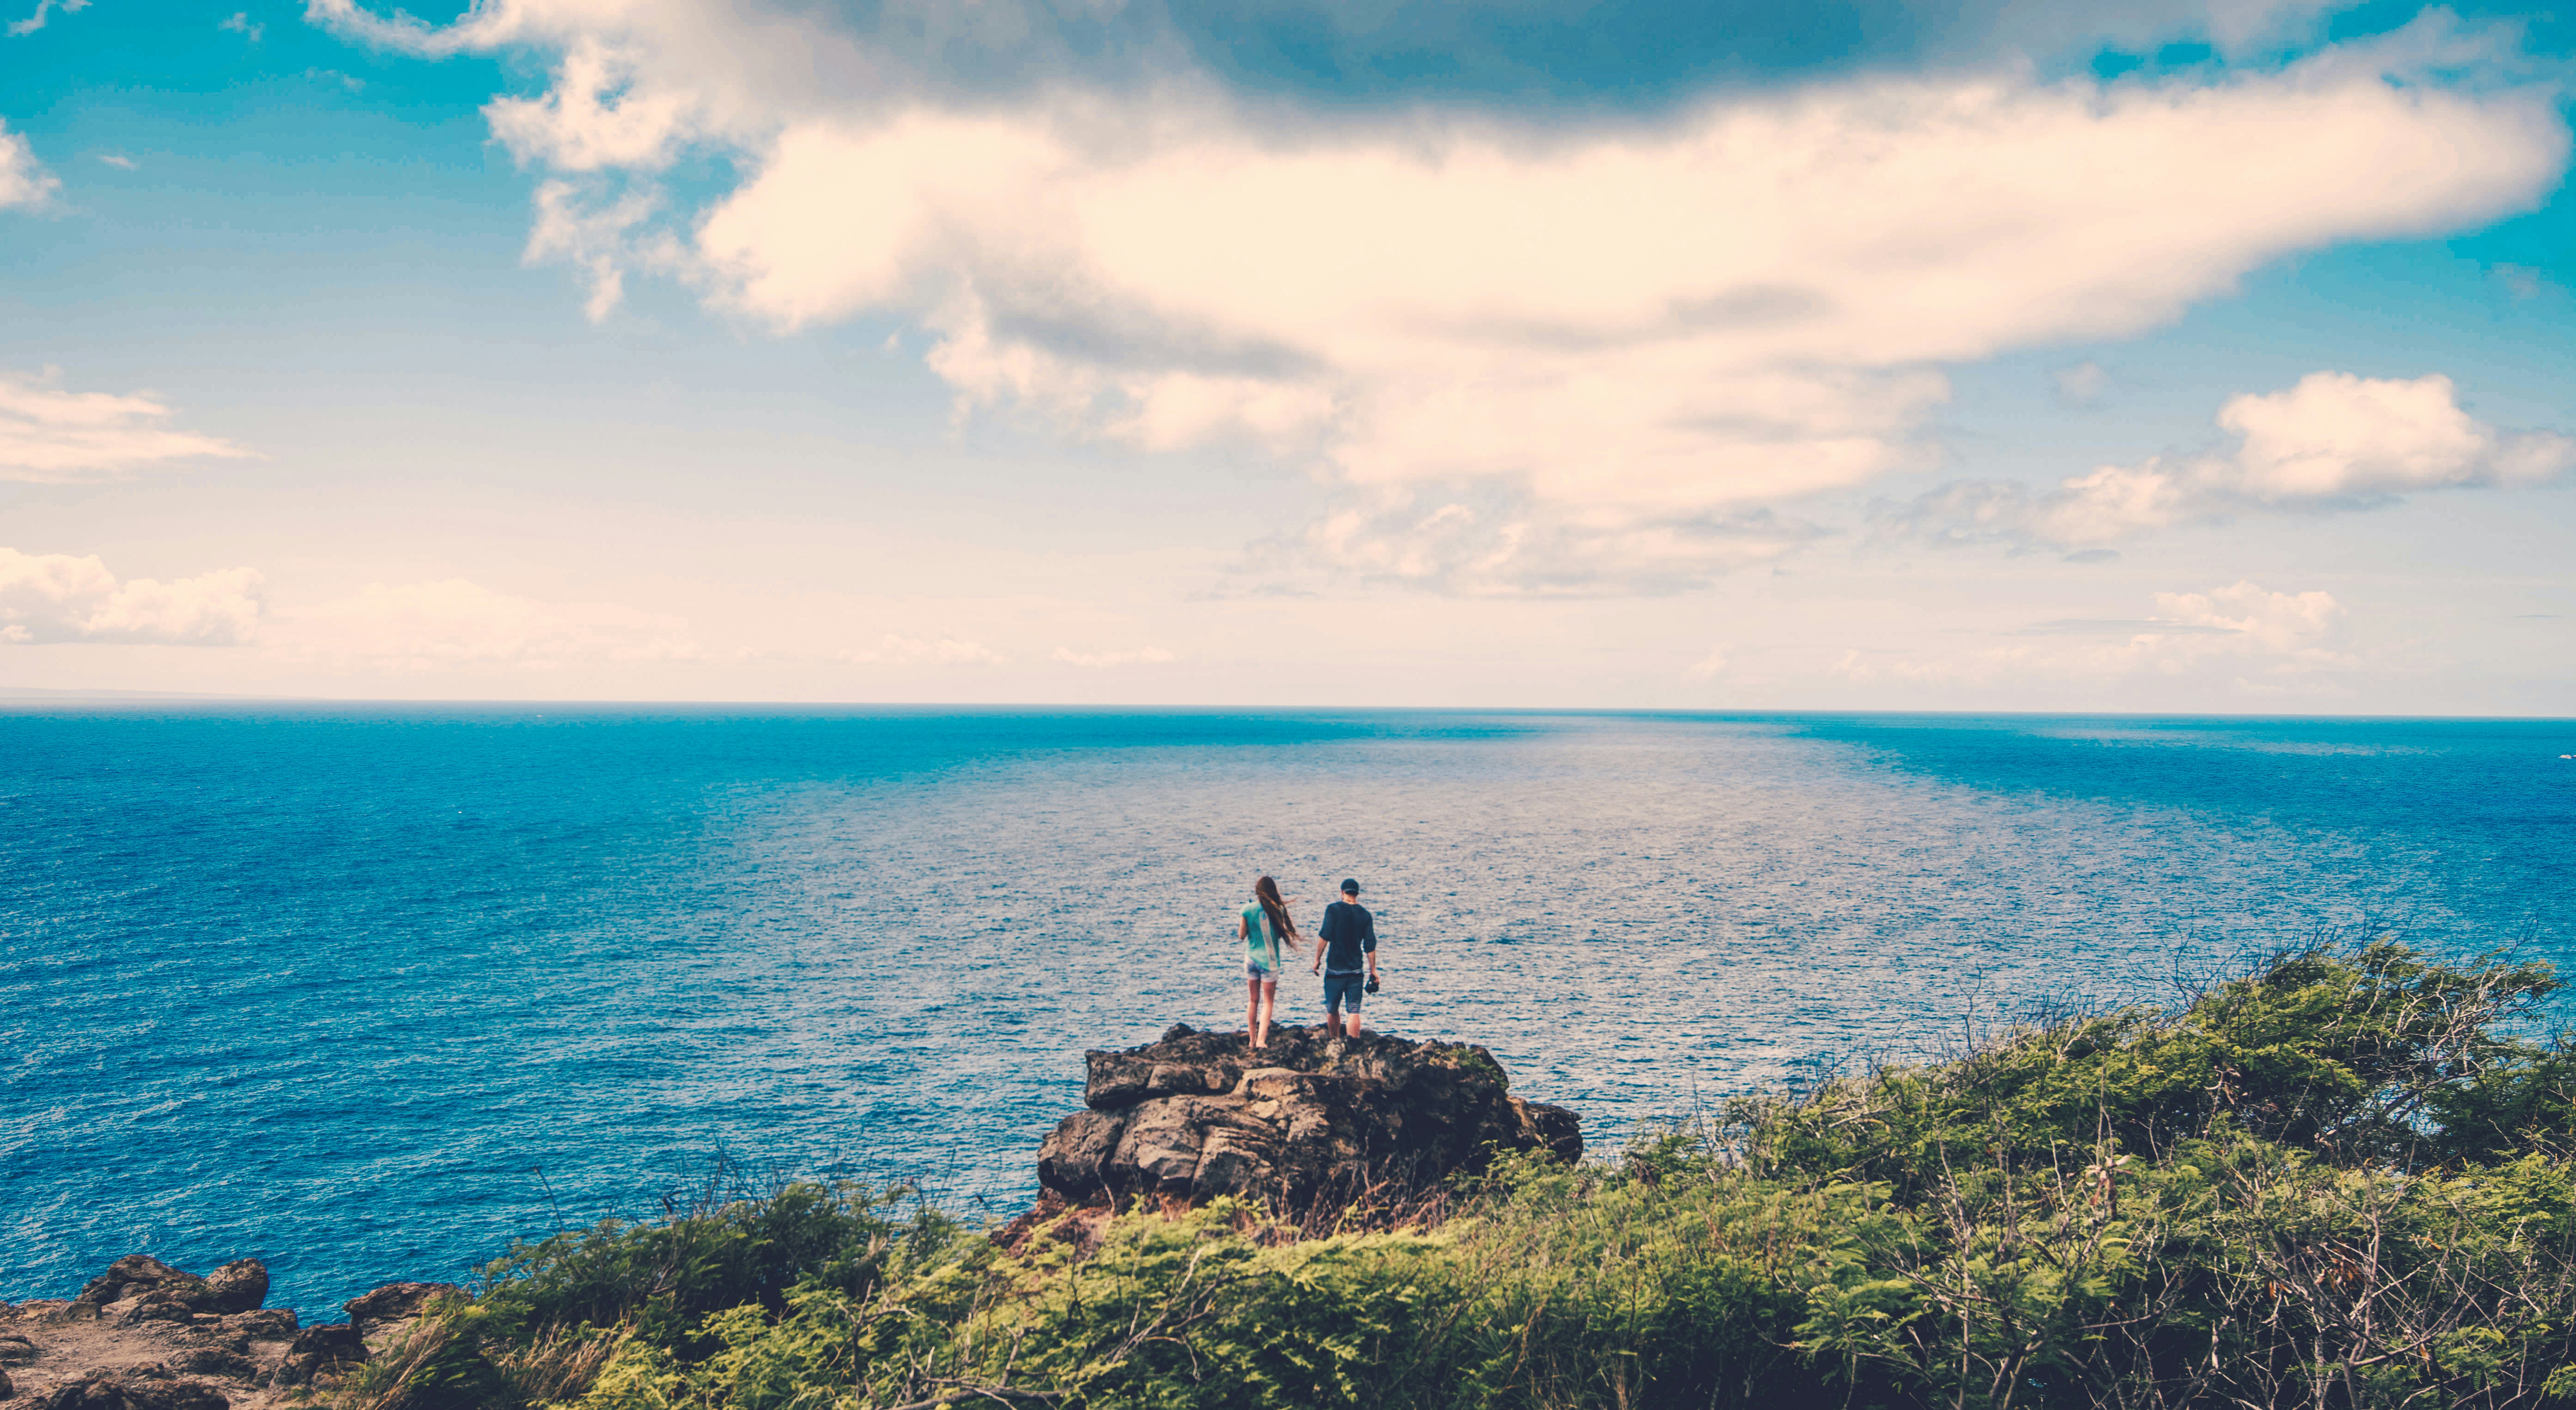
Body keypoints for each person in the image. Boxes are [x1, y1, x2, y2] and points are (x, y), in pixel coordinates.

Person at [1239, 875, 1303, 1050]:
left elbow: (1241, 935)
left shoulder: (1247, 910)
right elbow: (1280, 933)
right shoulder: (1279, 910)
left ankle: (1251, 1040)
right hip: (1270, 961)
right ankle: (1261, 1040)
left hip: (1250, 959)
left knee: (1253, 1000)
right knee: (1268, 1003)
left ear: (1257, 892)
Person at [1312, 877, 1379, 1042]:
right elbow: (1370, 946)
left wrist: (1317, 959)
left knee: (1332, 1008)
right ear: (1357, 894)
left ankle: (1335, 1041)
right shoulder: (1365, 915)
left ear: (1342, 893)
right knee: (1354, 1011)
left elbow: (1324, 937)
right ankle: (1353, 1046)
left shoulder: (1333, 910)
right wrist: (1373, 971)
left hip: (1335, 969)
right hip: (1356, 971)